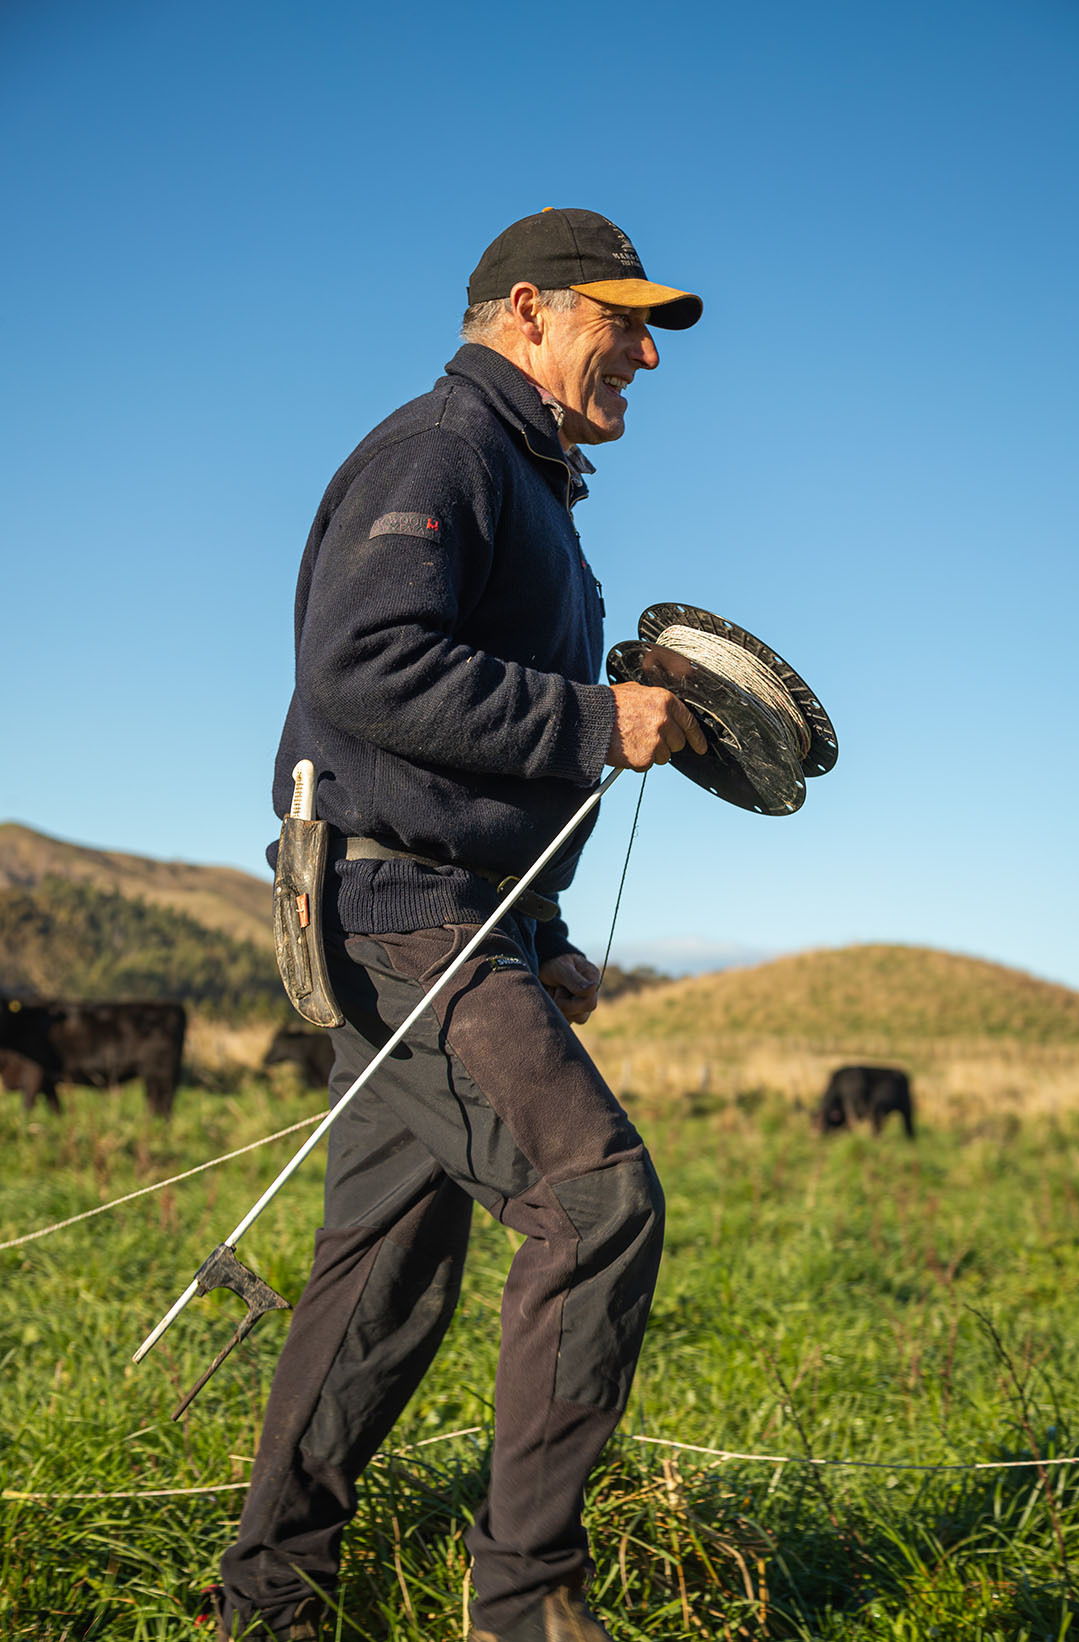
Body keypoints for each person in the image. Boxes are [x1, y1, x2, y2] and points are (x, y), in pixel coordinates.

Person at [216, 208, 705, 1642]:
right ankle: (524, 1606)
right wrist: (591, 716)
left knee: (385, 1265)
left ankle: (267, 1601)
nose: (643, 358)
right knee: (596, 1199)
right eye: (625, 322)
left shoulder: (535, 491)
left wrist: (543, 921)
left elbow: (476, 758)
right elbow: (364, 661)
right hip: (402, 912)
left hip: (457, 915)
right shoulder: (444, 450)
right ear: (530, 311)